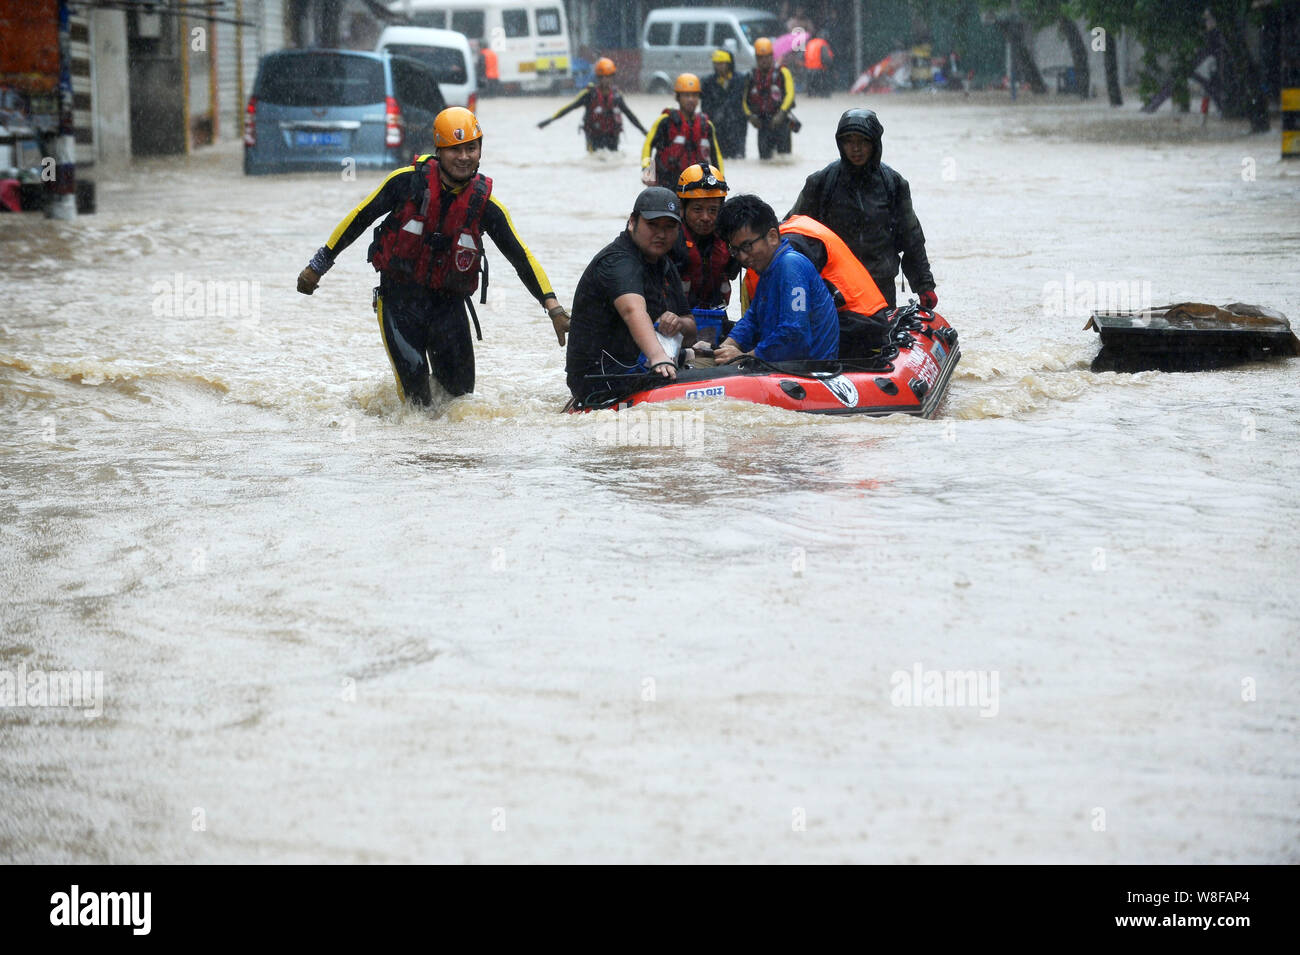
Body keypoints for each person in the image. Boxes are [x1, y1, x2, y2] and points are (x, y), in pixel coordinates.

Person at [296, 107, 569, 405]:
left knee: (460, 400)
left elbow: (521, 257)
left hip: (448, 308)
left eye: (471, 148)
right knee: (416, 398)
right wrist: (318, 266)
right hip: (399, 303)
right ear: (439, 150)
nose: (464, 157)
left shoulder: (486, 206)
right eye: (455, 150)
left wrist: (552, 307)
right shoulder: (406, 182)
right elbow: (359, 218)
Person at [786, 107, 936, 309]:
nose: (855, 148)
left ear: (875, 143)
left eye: (863, 141)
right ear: (840, 143)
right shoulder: (821, 183)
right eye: (848, 141)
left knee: (881, 339)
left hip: (880, 286)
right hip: (834, 287)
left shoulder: (894, 184)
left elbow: (912, 238)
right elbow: (792, 230)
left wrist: (924, 285)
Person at [566, 187, 696, 405]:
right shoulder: (618, 262)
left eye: (669, 227)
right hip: (601, 379)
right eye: (652, 225)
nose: (661, 234)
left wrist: (678, 323)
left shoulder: (664, 264)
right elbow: (632, 310)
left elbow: (691, 329)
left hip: (641, 366)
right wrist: (657, 357)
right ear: (632, 222)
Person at [712, 194, 838, 364]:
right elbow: (752, 320)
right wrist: (724, 348)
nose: (742, 257)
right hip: (783, 369)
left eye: (747, 246)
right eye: (735, 250)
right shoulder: (767, 270)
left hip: (811, 372)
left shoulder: (790, 266)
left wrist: (745, 357)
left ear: (772, 236)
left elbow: (795, 335)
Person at [668, 163, 738, 348]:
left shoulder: (731, 240)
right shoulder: (667, 241)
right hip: (675, 327)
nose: (706, 217)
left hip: (715, 323)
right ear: (682, 208)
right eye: (698, 209)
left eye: (713, 210)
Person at [537, 57, 646, 152]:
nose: (605, 80)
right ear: (598, 78)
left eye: (608, 77)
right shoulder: (589, 95)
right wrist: (551, 120)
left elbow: (630, 116)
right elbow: (569, 108)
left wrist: (645, 133)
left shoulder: (617, 97)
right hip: (594, 137)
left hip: (612, 137)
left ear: (612, 77)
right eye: (602, 77)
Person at [641, 73, 724, 190]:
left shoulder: (706, 125)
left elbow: (716, 156)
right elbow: (648, 146)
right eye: (686, 95)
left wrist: (720, 179)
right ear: (677, 97)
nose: (691, 99)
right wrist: (647, 169)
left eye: (694, 95)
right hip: (666, 182)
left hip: (696, 185)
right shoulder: (665, 121)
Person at [743, 38, 798, 161]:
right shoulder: (751, 76)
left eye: (767, 57)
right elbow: (744, 101)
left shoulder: (783, 72)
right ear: (756, 58)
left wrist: (781, 113)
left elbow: (790, 94)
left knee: (784, 159)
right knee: (764, 160)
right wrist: (750, 117)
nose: (764, 61)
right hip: (762, 124)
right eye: (760, 58)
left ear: (772, 56)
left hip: (782, 123)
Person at [701, 49, 747, 160]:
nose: (718, 67)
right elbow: (705, 106)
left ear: (729, 64)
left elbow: (743, 102)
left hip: (737, 128)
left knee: (738, 157)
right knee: (719, 157)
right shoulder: (708, 82)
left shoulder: (740, 80)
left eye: (721, 64)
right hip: (718, 128)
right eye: (716, 64)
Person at [803, 33, 835, 97]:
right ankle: (823, 93)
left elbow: (804, 54)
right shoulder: (822, 43)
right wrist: (829, 65)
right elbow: (826, 57)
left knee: (811, 82)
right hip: (819, 66)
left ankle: (811, 93)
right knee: (822, 81)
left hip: (809, 66)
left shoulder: (810, 43)